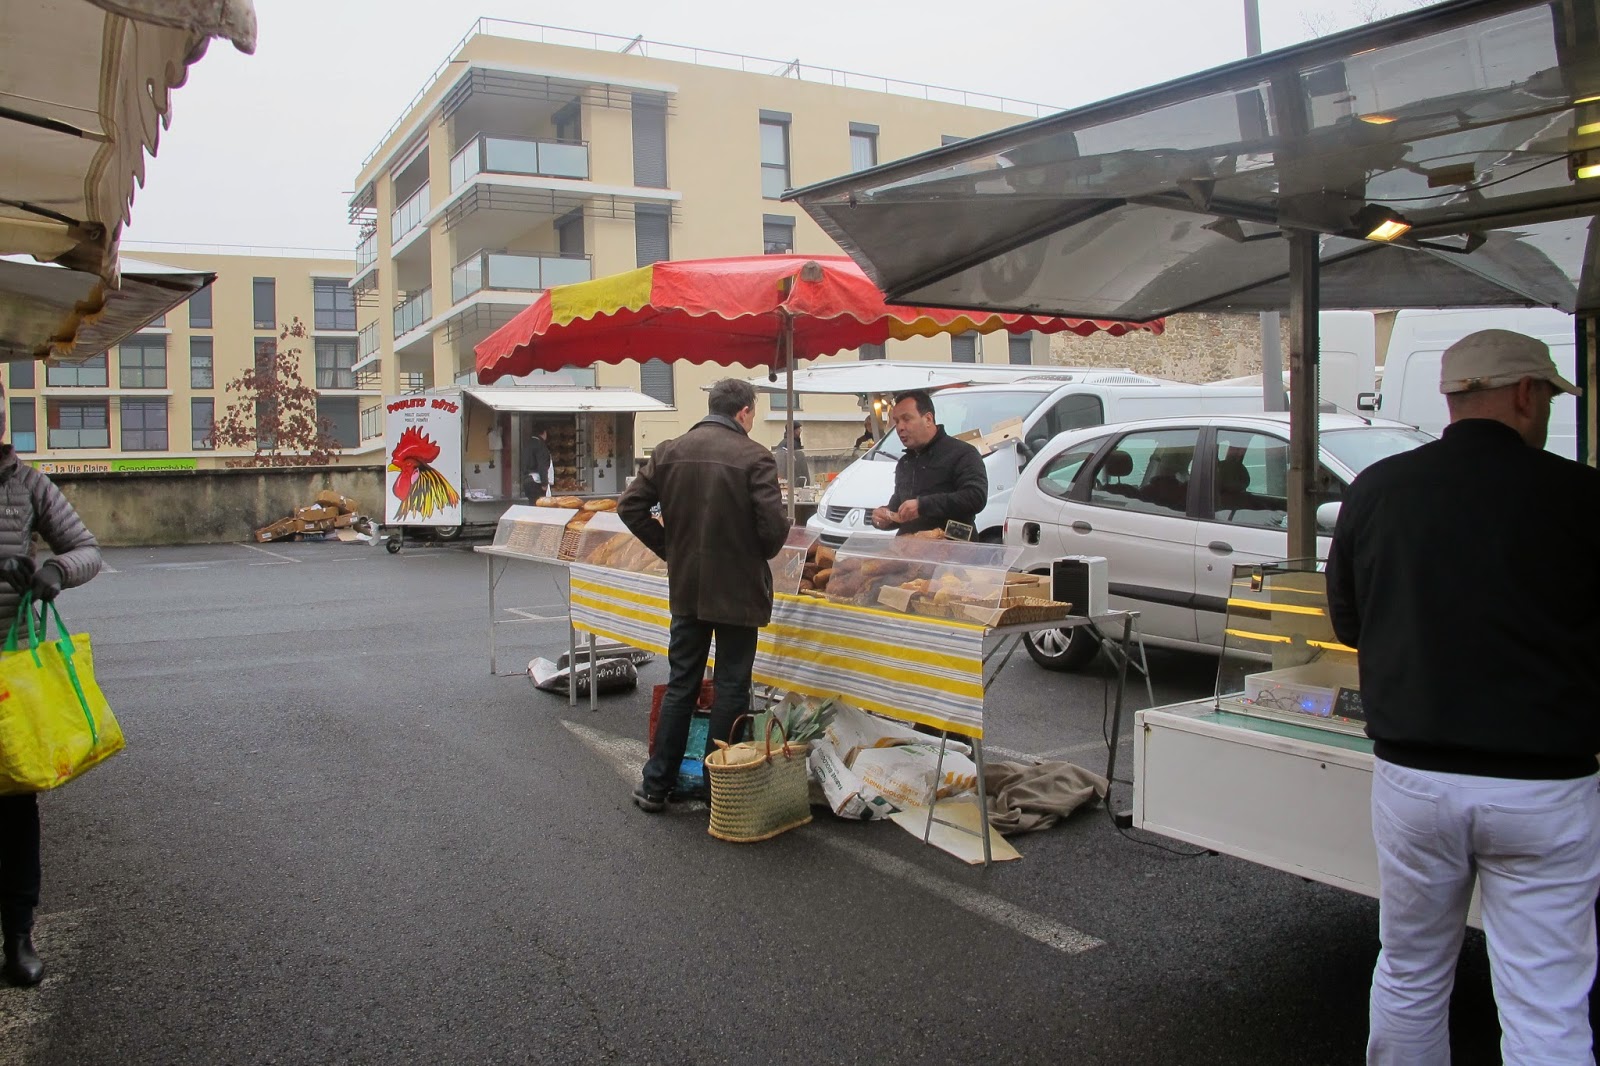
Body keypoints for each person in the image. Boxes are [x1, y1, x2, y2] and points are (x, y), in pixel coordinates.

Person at [1325, 329, 1600, 1064]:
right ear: (1522, 394)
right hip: (1545, 785)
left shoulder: (1377, 489)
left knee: (1411, 971)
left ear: (1452, 397)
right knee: (1546, 998)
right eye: (1544, 396)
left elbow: (1349, 621)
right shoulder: (1582, 495)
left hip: (1414, 775)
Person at [619, 378, 788, 812]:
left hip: (688, 588)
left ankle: (656, 785)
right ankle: (722, 792)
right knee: (732, 685)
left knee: (682, 683)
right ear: (745, 412)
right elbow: (771, 535)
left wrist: (671, 549)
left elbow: (630, 507)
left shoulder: (669, 451)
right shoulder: (756, 457)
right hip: (739, 592)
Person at [0, 393, 103, 988]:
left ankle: (18, 937)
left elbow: (86, 549)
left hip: (12, 674)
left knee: (14, 807)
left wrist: (52, 573)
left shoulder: (29, 484)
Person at [870, 390, 987, 537]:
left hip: (952, 548)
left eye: (906, 419)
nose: (900, 427)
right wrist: (885, 516)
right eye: (897, 421)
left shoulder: (963, 453)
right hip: (909, 550)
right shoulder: (905, 462)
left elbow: (975, 497)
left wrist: (923, 505)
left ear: (928, 419)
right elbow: (899, 507)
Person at [520, 424, 553, 503]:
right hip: (536, 482)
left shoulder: (527, 444)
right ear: (544, 433)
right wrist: (544, 483)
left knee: (532, 506)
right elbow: (542, 465)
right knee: (540, 507)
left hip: (527, 480)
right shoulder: (540, 445)